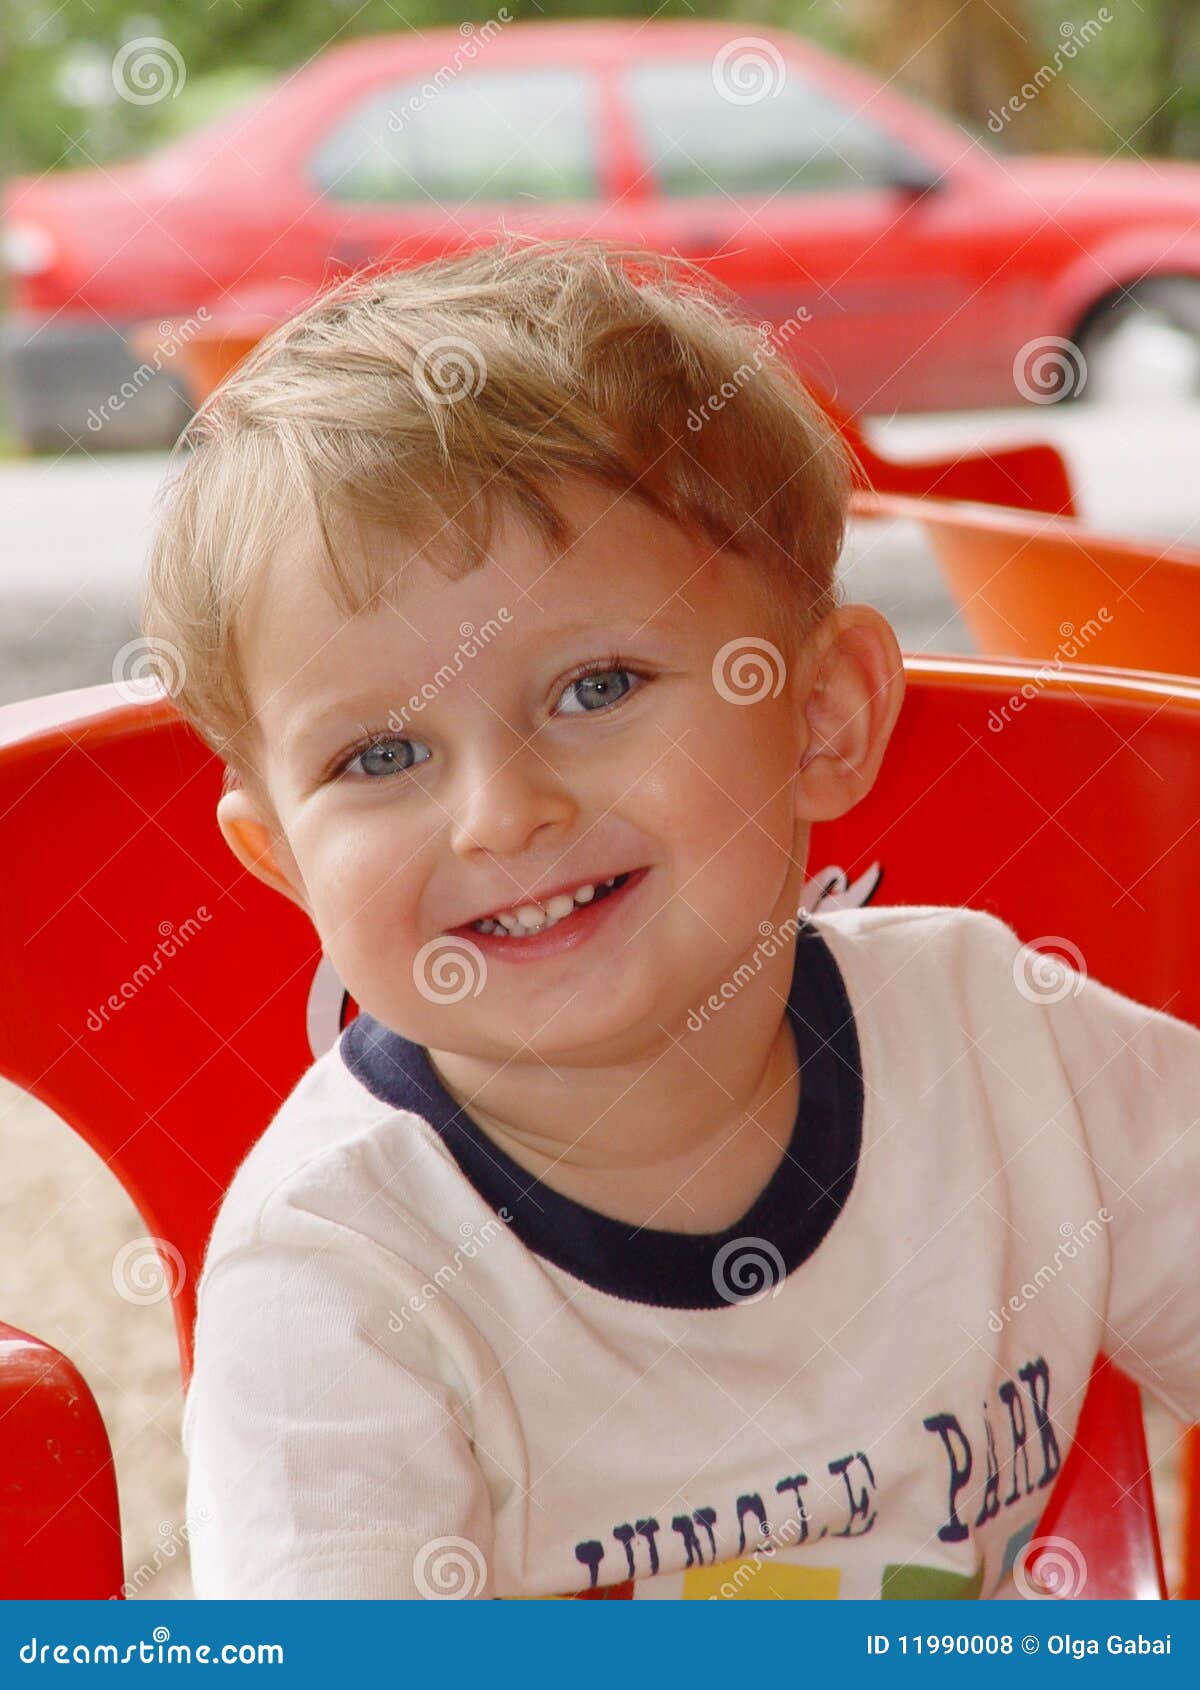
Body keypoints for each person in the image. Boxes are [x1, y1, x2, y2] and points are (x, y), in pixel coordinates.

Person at [141, 236, 1200, 1600]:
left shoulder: (1006, 1045)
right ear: (282, 860)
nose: (499, 814)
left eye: (596, 687)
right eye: (382, 757)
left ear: (820, 717)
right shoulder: (340, 1274)